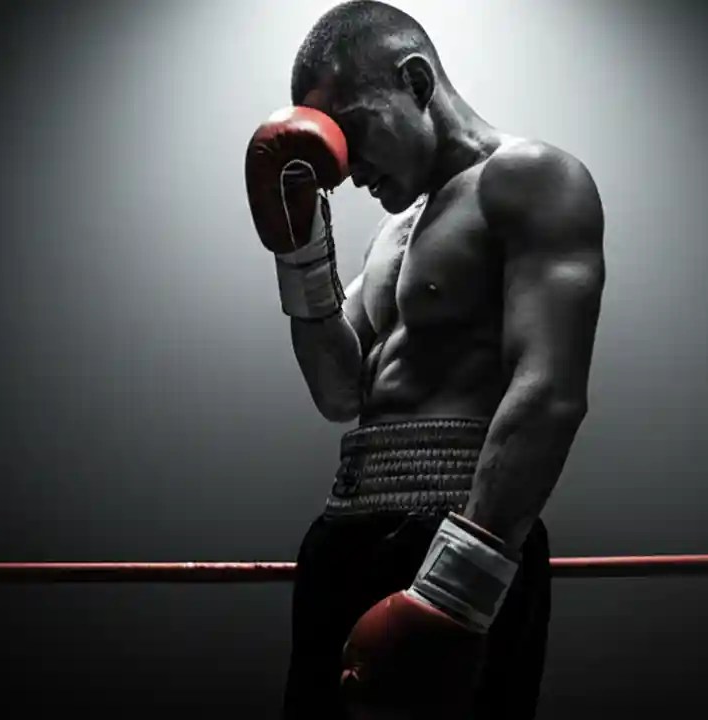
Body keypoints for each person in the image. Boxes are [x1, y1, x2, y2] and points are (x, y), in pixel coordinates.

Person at [245, 2, 605, 717]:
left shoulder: (531, 178)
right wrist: (299, 252)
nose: (342, 171)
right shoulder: (391, 234)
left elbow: (548, 393)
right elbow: (338, 392)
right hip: (345, 539)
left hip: (455, 538)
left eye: (352, 130)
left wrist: (453, 594)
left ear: (415, 81)